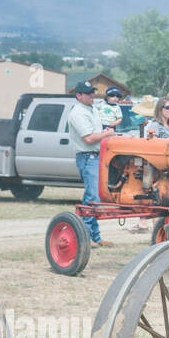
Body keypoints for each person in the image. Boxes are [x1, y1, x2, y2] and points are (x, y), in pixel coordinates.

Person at [67, 81, 114, 247]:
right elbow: (88, 138)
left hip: (96, 156)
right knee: (92, 198)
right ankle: (85, 236)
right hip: (88, 157)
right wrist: (106, 133)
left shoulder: (91, 109)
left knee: (93, 197)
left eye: (92, 93)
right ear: (79, 96)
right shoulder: (78, 113)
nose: (92, 95)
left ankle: (94, 237)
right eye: (88, 93)